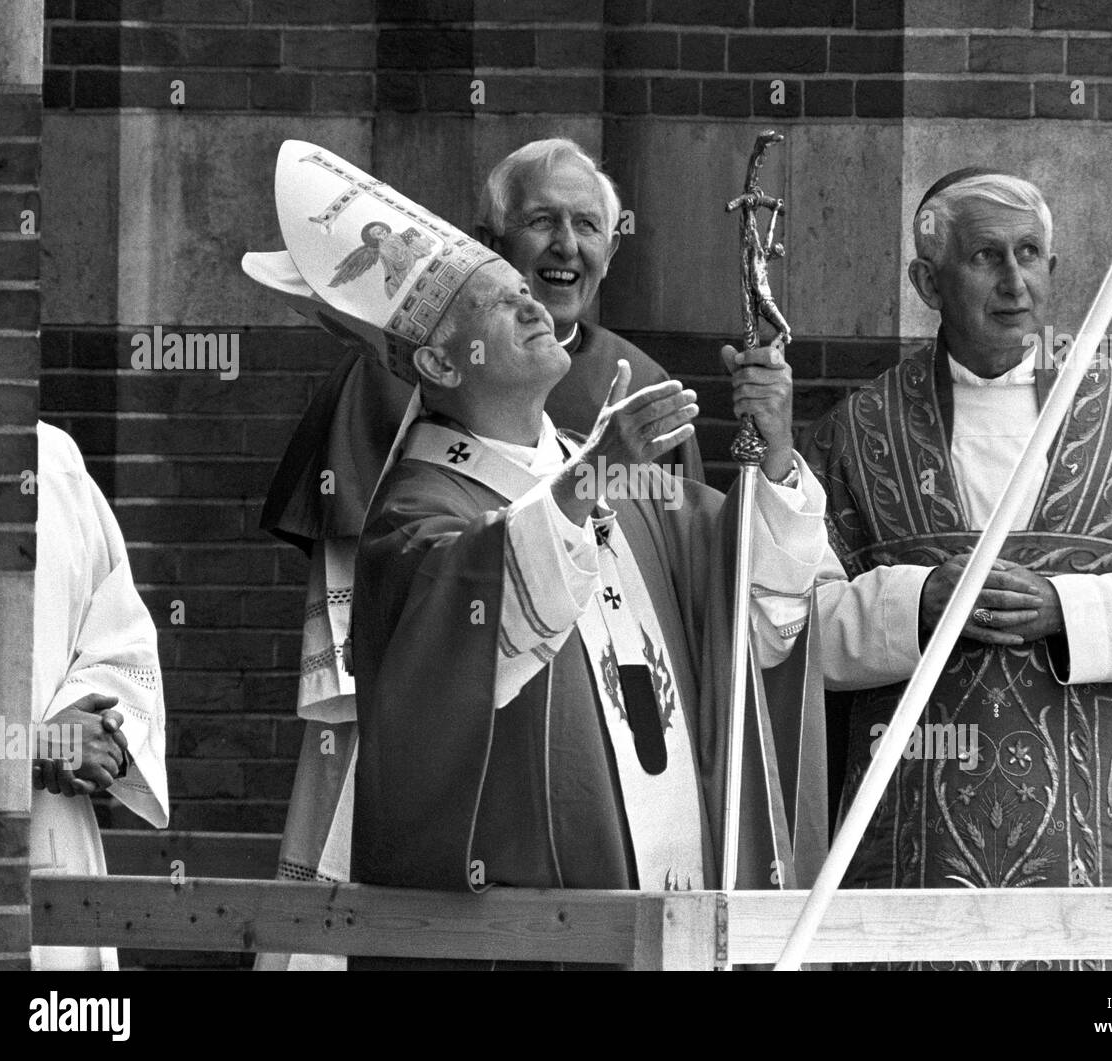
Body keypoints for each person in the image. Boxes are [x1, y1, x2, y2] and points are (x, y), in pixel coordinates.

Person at [247, 141, 829, 970]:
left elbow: (760, 611)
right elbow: (465, 640)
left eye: (527, 295)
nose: (535, 309)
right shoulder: (419, 508)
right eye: (501, 301)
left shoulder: (624, 483)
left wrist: (773, 459)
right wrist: (590, 476)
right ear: (444, 360)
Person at [799, 168, 1112, 970]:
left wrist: (1067, 609)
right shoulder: (856, 434)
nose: (1016, 281)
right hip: (912, 862)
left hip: (1101, 859)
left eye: (1031, 254)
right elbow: (788, 620)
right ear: (927, 280)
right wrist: (917, 603)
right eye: (986, 256)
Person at [477, 138, 705, 483]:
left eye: (586, 225)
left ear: (609, 254)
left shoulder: (645, 388)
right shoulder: (420, 375)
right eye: (541, 220)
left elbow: (679, 531)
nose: (567, 247)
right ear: (490, 244)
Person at [30, 421, 169, 971]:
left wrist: (85, 728)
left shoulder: (50, 455)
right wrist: (29, 745)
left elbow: (121, 644)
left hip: (47, 836)